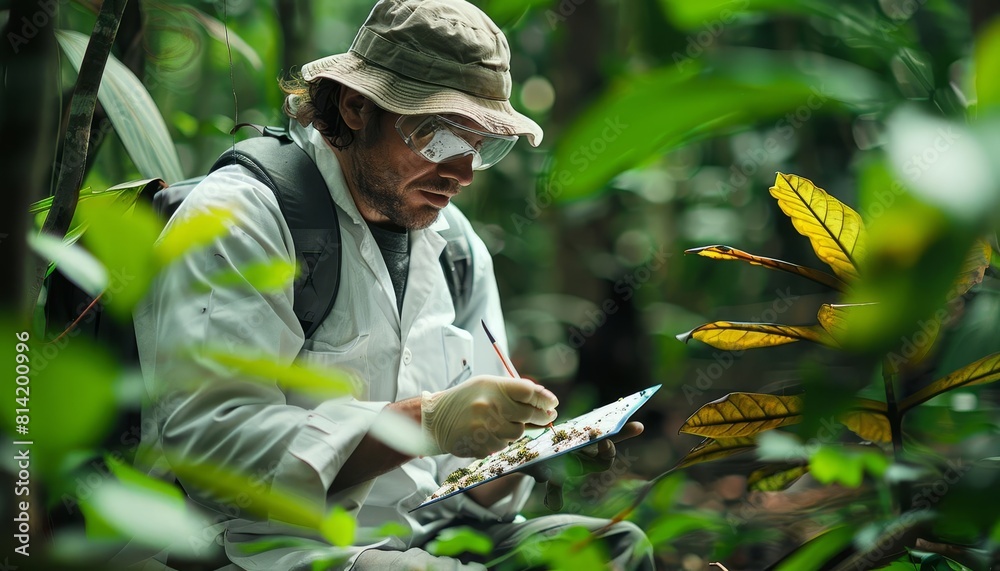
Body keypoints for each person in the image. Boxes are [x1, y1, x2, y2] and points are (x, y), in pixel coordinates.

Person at [131, 0, 653, 569]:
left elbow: (461, 489)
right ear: (357, 107)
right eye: (442, 138)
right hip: (263, 547)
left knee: (614, 549)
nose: (462, 174)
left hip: (421, 535)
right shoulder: (240, 217)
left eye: (481, 146)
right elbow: (212, 454)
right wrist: (423, 422)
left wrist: (524, 456)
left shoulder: (455, 247)